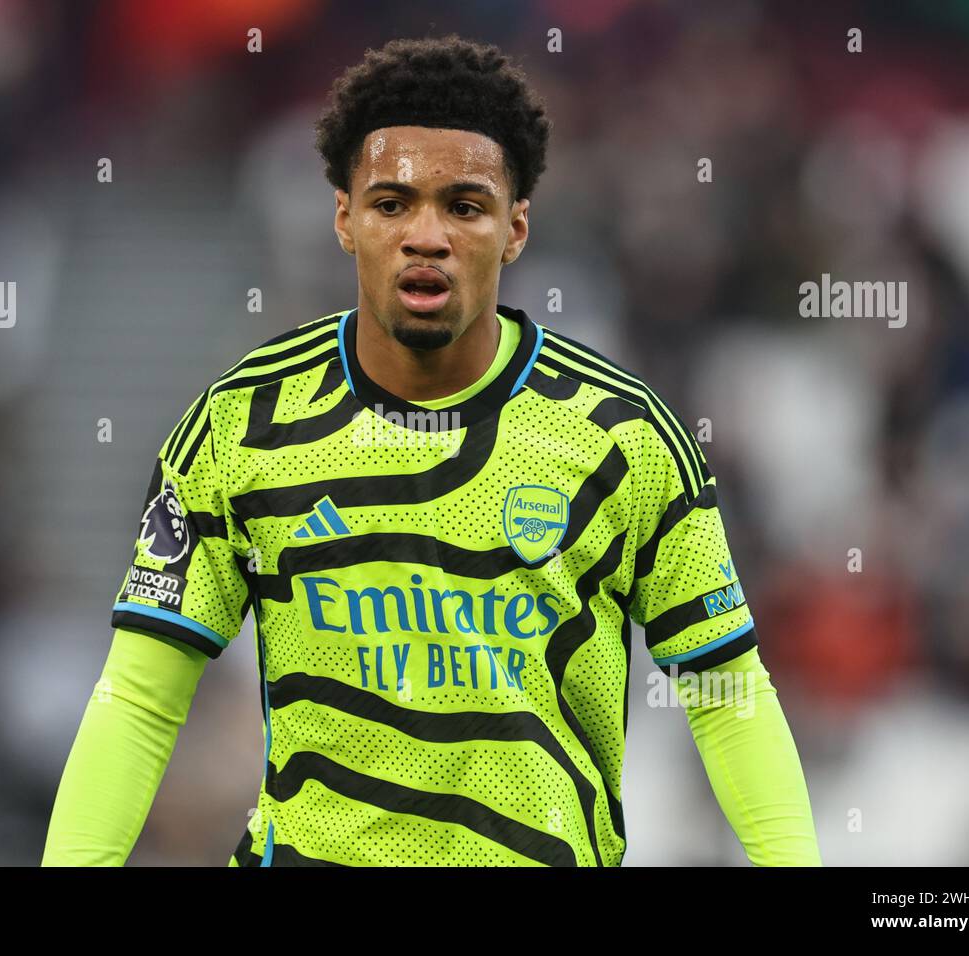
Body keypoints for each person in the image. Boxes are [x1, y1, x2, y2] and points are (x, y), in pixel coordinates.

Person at [42, 34, 821, 867]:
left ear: (514, 229)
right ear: (344, 218)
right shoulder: (242, 425)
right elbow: (139, 701)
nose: (426, 236)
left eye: (464, 205)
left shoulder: (623, 436)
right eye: (391, 203)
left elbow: (726, 696)